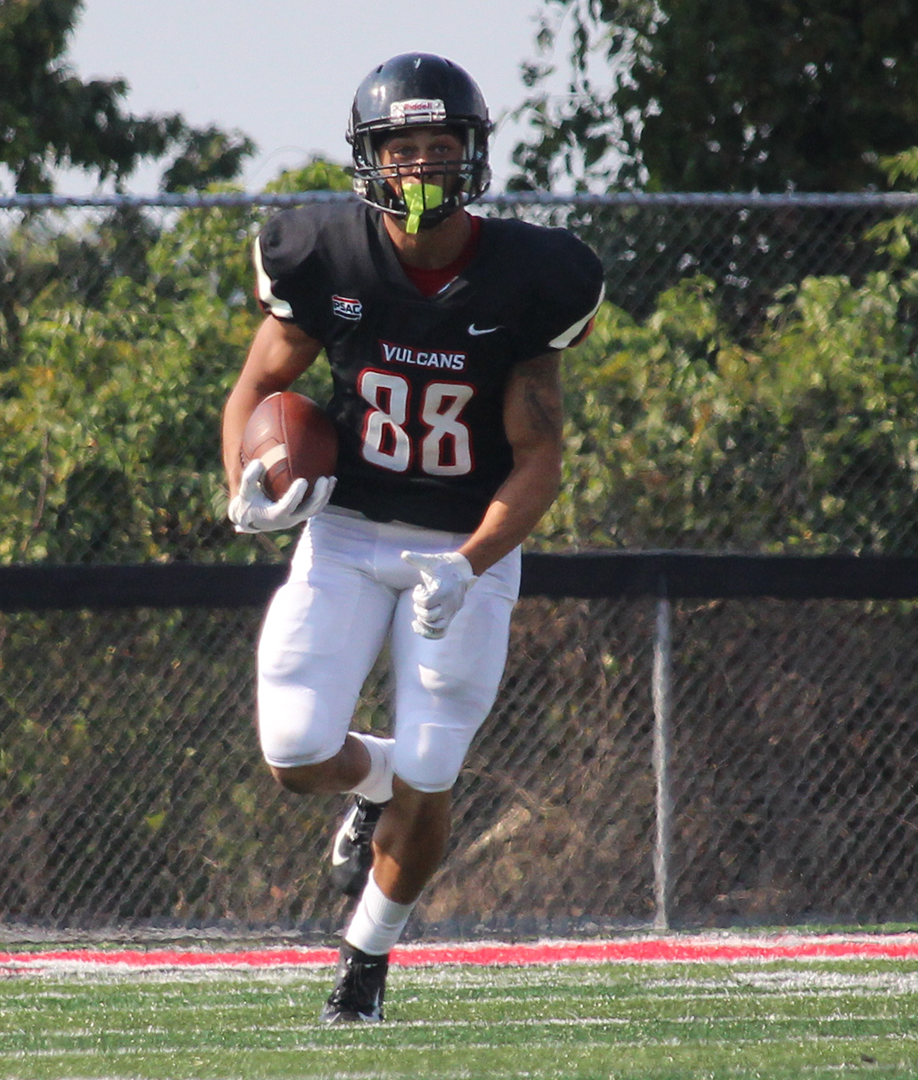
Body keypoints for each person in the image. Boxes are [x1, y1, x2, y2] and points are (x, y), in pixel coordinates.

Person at [220, 52, 604, 1023]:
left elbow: (538, 457)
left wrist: (471, 562)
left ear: (473, 154)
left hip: (462, 546)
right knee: (297, 749)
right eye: (405, 148)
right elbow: (259, 391)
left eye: (442, 147)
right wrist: (246, 486)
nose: (424, 166)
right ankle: (374, 787)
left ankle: (366, 957)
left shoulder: (529, 276)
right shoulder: (325, 255)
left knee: (434, 773)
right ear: (372, 161)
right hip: (347, 534)